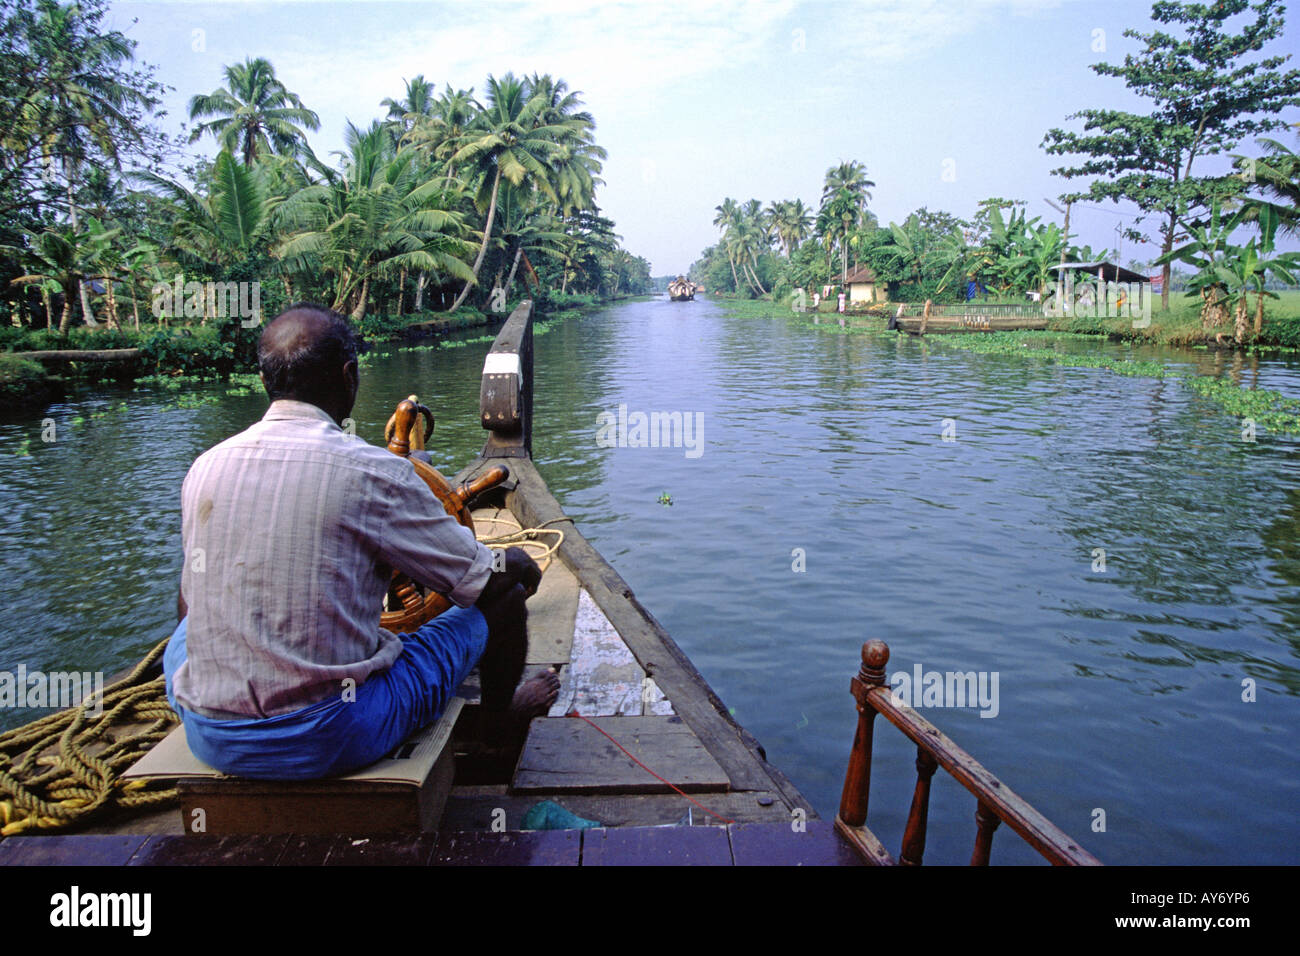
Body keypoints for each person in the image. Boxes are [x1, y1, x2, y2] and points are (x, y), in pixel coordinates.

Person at [163, 303, 558, 780]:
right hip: (330, 736)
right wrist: (516, 563)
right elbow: (479, 582)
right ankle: (497, 726)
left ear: (267, 380)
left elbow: (190, 604)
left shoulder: (205, 467)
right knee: (505, 601)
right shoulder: (375, 472)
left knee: (188, 624)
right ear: (348, 376)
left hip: (209, 733)